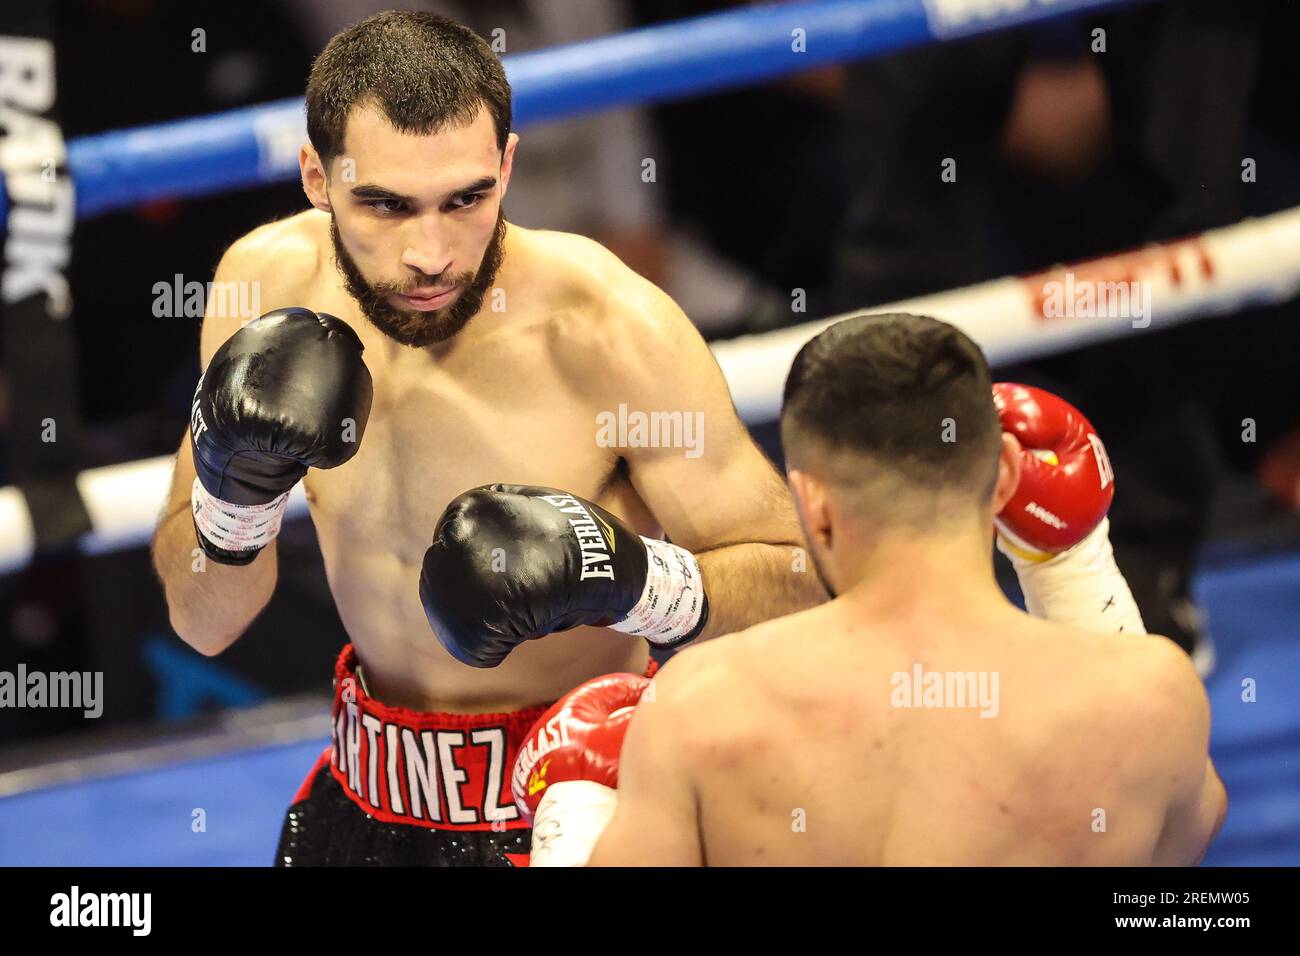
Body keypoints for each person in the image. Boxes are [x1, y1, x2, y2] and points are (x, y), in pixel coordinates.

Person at [149, 11, 825, 867]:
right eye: (386, 205)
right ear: (318, 177)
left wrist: (639, 583)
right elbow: (204, 622)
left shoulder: (608, 329)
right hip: (364, 803)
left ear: (506, 166)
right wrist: (233, 502)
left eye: (465, 199)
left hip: (581, 815)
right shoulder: (264, 282)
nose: (431, 253)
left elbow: (804, 583)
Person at [513, 313, 1227, 866]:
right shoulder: (1153, 697)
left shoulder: (700, 710)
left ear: (812, 503)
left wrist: (572, 812)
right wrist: (1070, 563)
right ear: (1007, 474)